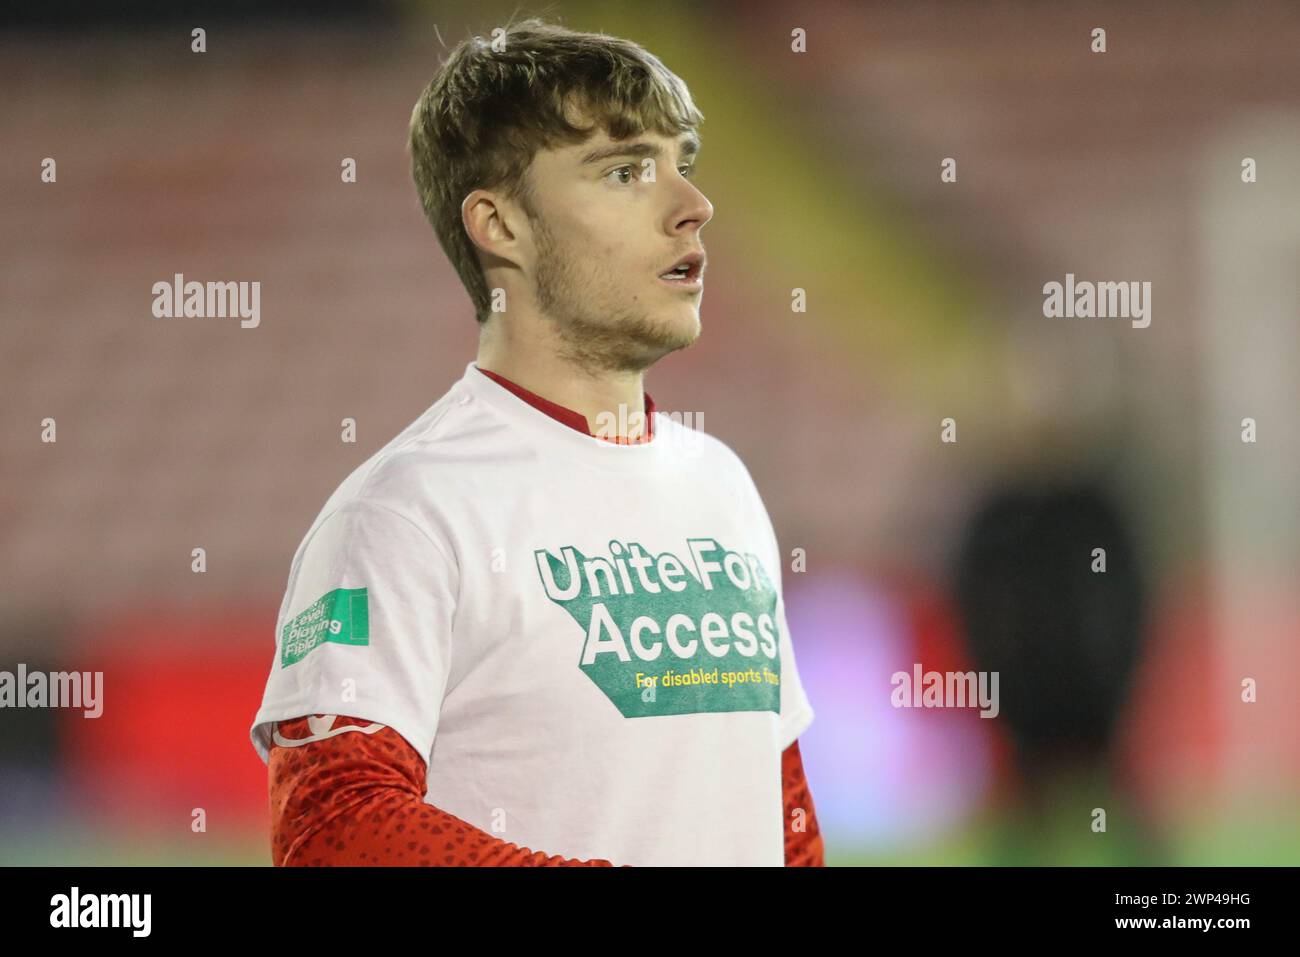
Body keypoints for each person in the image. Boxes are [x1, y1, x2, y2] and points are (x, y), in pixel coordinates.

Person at [248, 16, 822, 867]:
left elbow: (779, 807)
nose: (694, 207)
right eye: (627, 171)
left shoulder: (723, 484)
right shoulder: (404, 513)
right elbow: (334, 825)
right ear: (500, 226)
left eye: (682, 164)